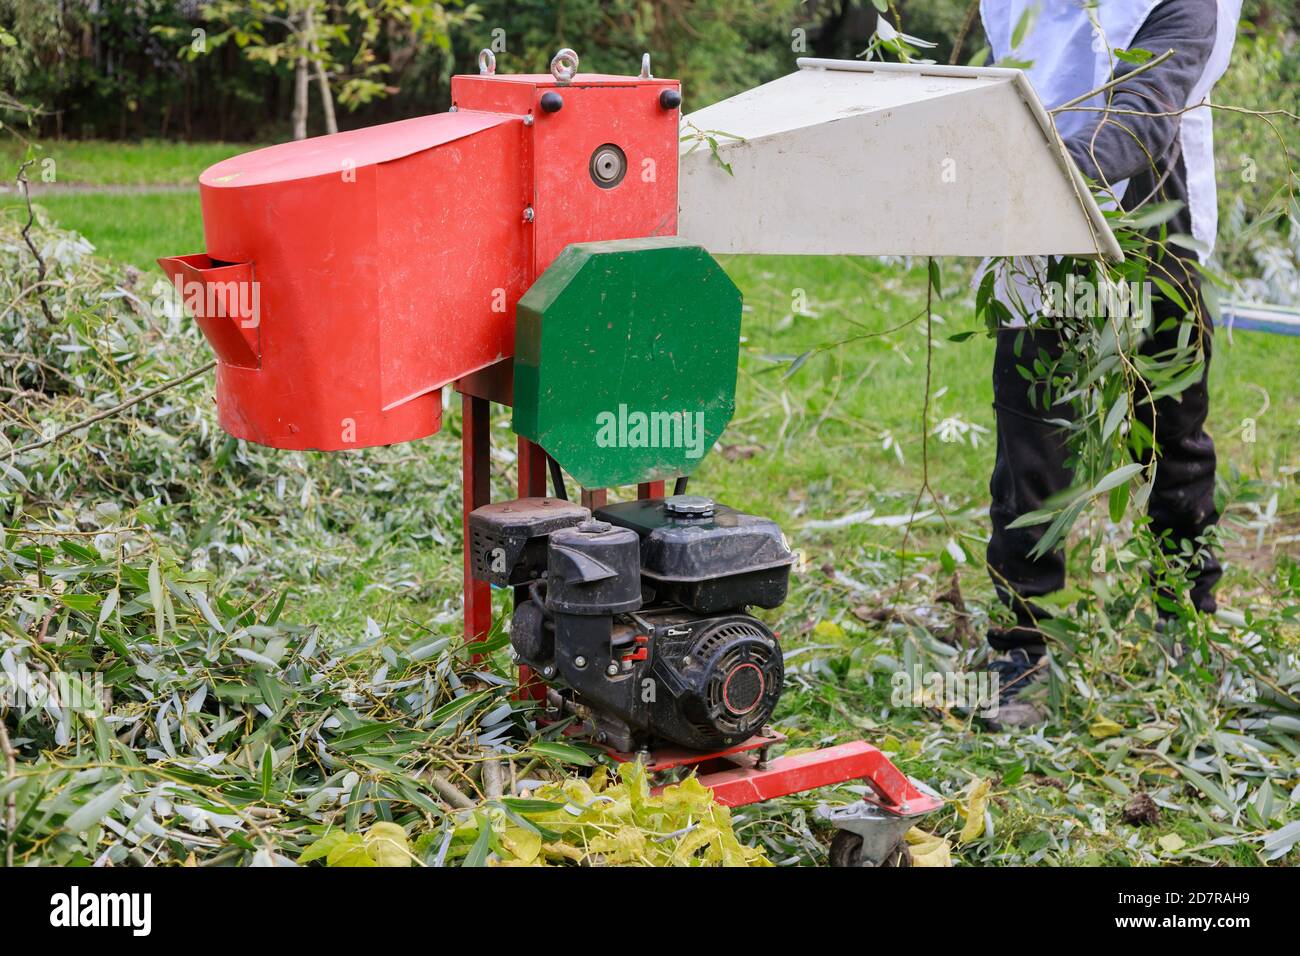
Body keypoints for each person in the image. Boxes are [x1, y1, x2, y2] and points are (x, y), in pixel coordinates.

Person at [978, 0, 1243, 728]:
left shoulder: (1188, 5)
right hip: (1038, 223)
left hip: (1156, 217)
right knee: (1032, 436)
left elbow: (1147, 106)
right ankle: (1021, 643)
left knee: (1173, 430)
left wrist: (1066, 178)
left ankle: (1186, 614)